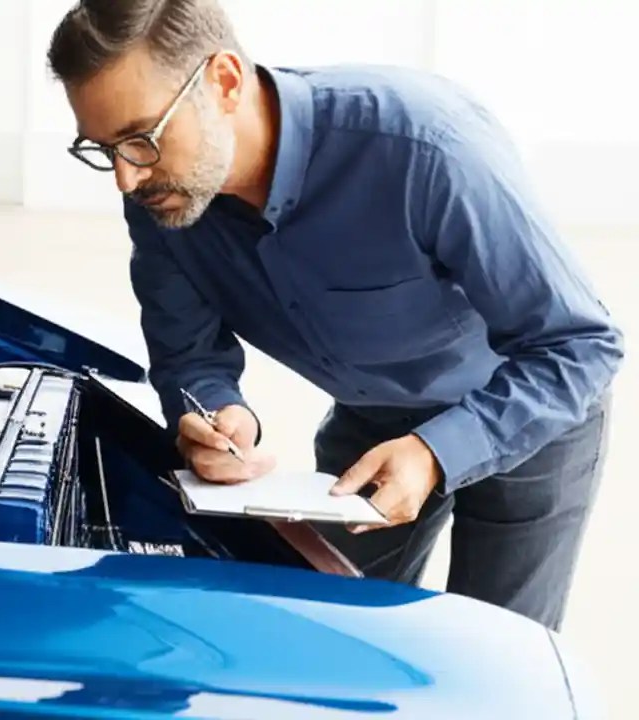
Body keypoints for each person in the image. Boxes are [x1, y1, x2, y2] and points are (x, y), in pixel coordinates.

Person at [46, 0, 624, 631]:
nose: (126, 180)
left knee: (496, 656)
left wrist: (436, 452)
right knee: (322, 631)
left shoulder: (427, 149)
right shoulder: (164, 198)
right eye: (104, 149)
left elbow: (580, 344)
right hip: (370, 422)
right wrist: (211, 412)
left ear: (225, 81)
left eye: (143, 139)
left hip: (528, 412)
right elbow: (189, 355)